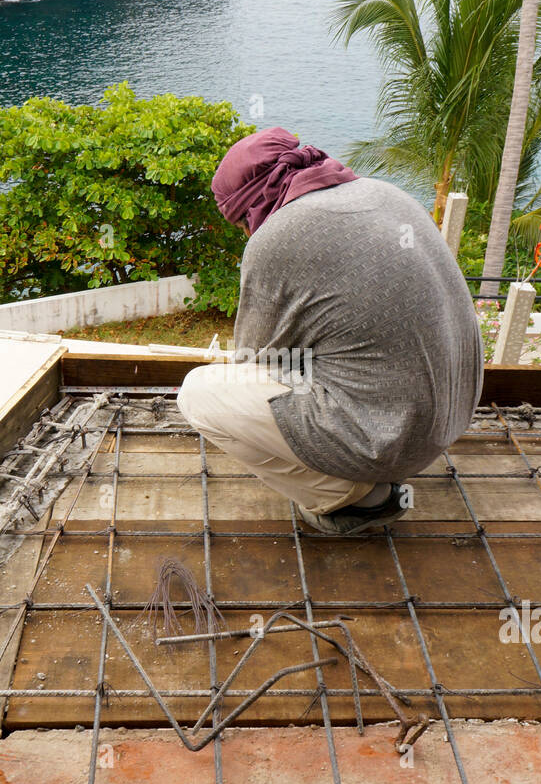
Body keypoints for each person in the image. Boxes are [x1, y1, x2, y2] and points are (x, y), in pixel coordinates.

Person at [176, 127, 482, 535]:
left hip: (392, 441)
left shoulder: (277, 236)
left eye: (240, 219)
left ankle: (358, 500)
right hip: (452, 417)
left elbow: (255, 362)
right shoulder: (385, 193)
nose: (246, 229)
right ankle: (366, 464)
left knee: (200, 392)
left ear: (252, 201)